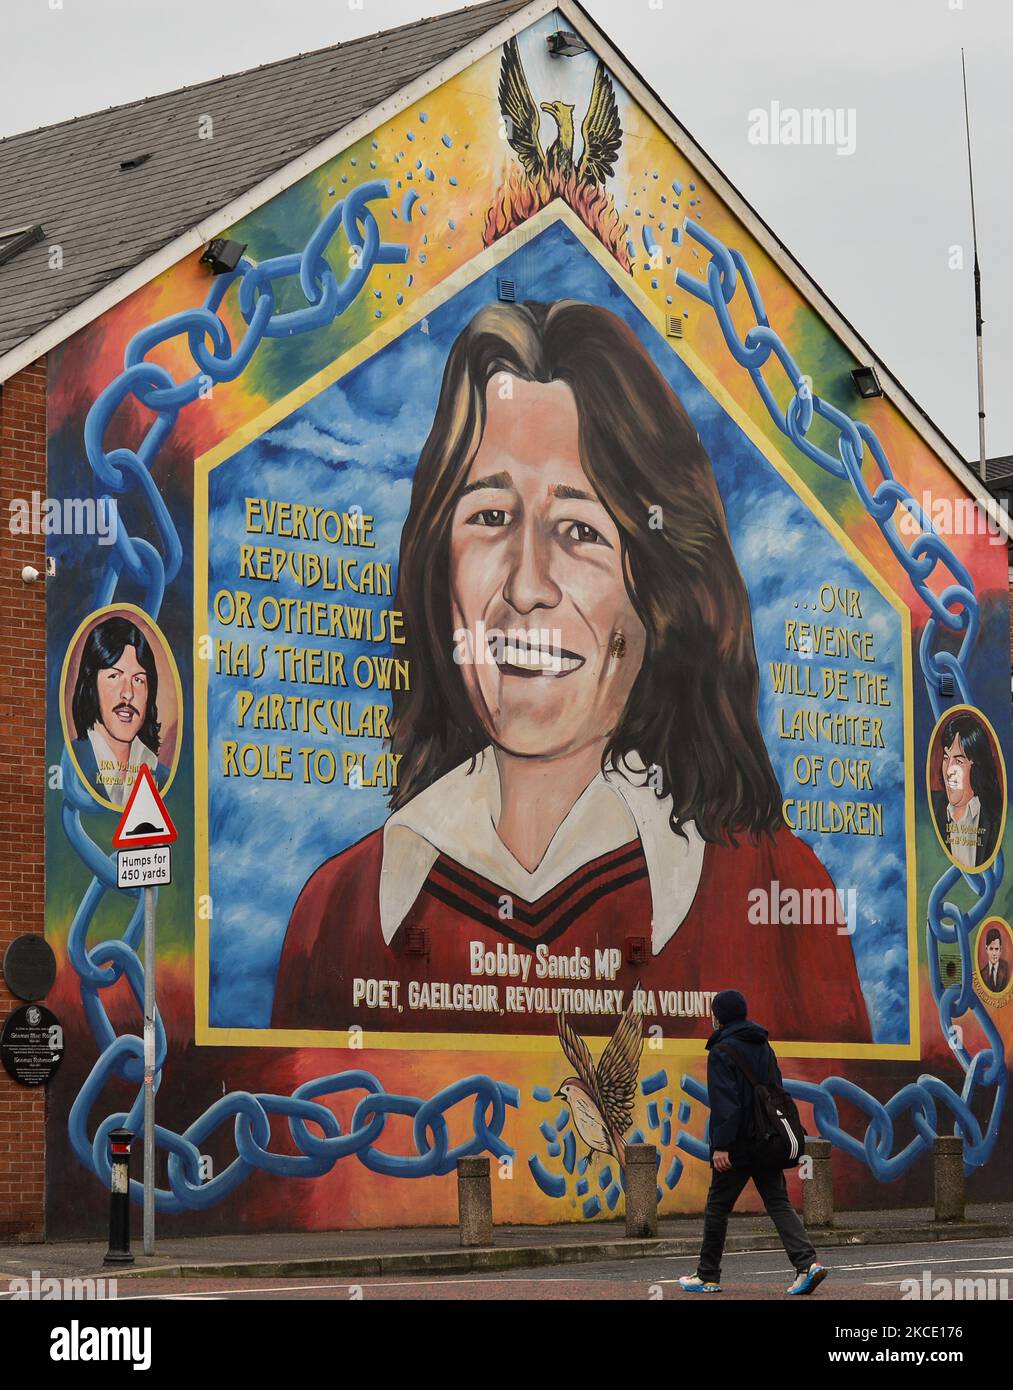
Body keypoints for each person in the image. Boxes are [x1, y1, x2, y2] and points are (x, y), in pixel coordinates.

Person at [272, 300, 871, 1044]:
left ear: (658, 589)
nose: (527, 585)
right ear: (438, 570)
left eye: (580, 530)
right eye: (488, 517)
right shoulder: (342, 910)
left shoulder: (776, 896)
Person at [678, 989, 829, 1295]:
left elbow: (726, 1103)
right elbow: (775, 1089)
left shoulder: (721, 1051)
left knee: (718, 1206)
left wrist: (721, 1145)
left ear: (719, 1016)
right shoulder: (763, 1045)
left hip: (738, 1145)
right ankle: (806, 1264)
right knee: (778, 1201)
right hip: (768, 1138)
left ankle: (707, 1275)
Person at [71, 616, 169, 807]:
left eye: (139, 679)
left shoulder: (162, 777)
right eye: (114, 676)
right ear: (91, 684)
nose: (128, 694)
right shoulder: (72, 763)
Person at [931, 712, 1002, 870]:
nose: (949, 770)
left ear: (976, 765)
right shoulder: (931, 811)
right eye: (945, 758)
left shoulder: (995, 816)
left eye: (958, 761)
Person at [981, 926, 1010, 995]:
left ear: (1000, 949)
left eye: (996, 949)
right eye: (991, 949)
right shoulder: (982, 973)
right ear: (986, 949)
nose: (994, 953)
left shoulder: (1007, 968)